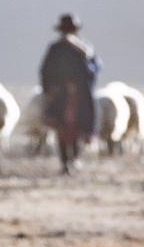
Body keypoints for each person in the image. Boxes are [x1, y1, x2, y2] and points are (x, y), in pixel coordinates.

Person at [39, 12, 100, 174]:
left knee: (78, 128)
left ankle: (75, 158)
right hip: (61, 95)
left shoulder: (85, 48)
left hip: (79, 95)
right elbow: (46, 71)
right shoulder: (56, 49)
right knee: (61, 128)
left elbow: (94, 69)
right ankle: (66, 161)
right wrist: (51, 89)